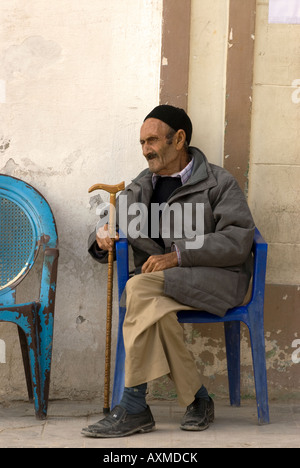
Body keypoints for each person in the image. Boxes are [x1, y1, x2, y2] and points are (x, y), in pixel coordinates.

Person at [82, 105, 255, 438]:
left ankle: (134, 406)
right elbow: (116, 229)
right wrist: (102, 236)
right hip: (164, 287)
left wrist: (178, 256)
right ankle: (198, 399)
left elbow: (237, 240)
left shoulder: (219, 182)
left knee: (138, 290)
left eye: (152, 140)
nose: (146, 150)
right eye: (142, 143)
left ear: (179, 139)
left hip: (217, 280)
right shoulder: (140, 188)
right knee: (150, 303)